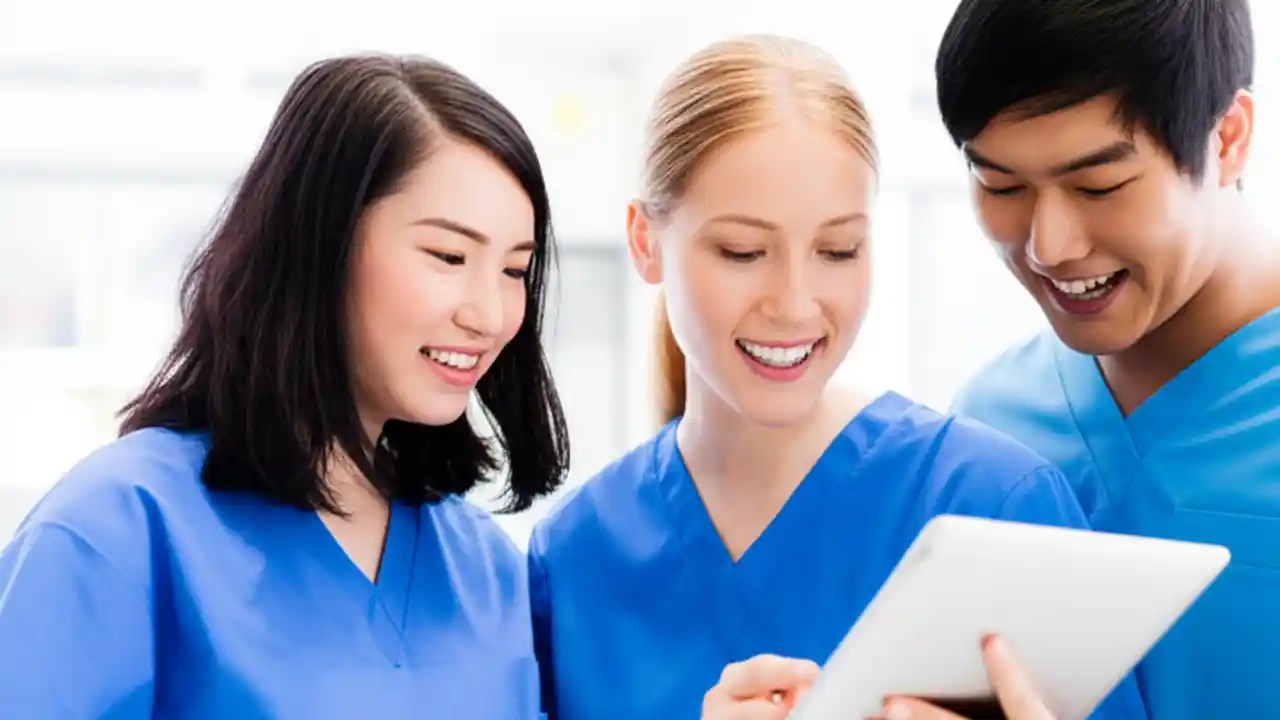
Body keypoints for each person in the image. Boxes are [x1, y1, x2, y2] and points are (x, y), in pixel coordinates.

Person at [526, 35, 1145, 720]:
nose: (795, 302)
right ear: (646, 242)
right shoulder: (576, 559)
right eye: (743, 251)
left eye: (837, 249)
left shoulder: (996, 506)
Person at [0, 54, 569, 718]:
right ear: (319, 243)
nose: (490, 315)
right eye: (449, 257)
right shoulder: (117, 530)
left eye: (514, 270)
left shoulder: (487, 574)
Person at [934, 1, 1280, 717]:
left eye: (1099, 187)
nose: (1047, 246)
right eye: (1001, 185)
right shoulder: (988, 423)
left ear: (1229, 137)